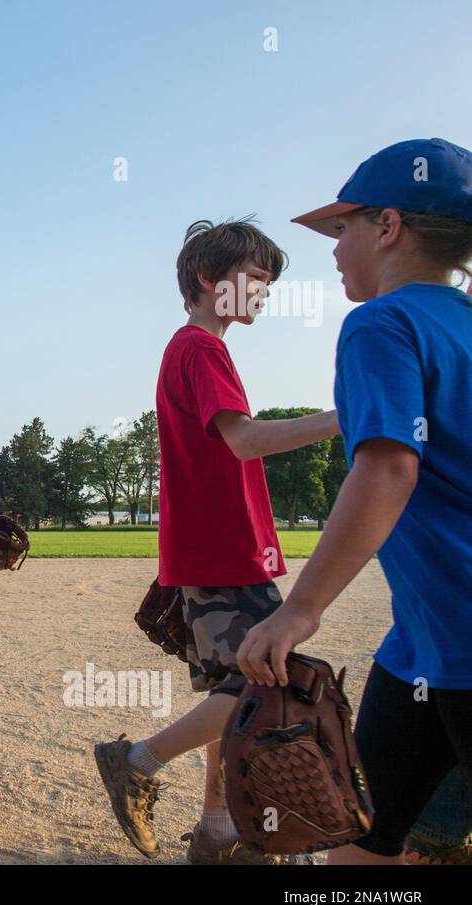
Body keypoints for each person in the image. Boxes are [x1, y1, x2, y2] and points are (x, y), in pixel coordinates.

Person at [239, 138, 472, 865]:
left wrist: (299, 607)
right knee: (363, 824)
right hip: (423, 648)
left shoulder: (382, 323)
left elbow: (387, 471)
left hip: (464, 633)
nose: (336, 250)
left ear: (389, 226)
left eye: (343, 230)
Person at [94, 219, 338, 863]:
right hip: (225, 549)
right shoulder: (201, 349)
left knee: (234, 691)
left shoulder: (196, 348)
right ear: (209, 279)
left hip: (218, 548)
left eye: (268, 283)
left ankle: (217, 830)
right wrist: (350, 417)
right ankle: (137, 762)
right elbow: (247, 439)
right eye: (254, 278)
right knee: (266, 690)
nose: (263, 292)